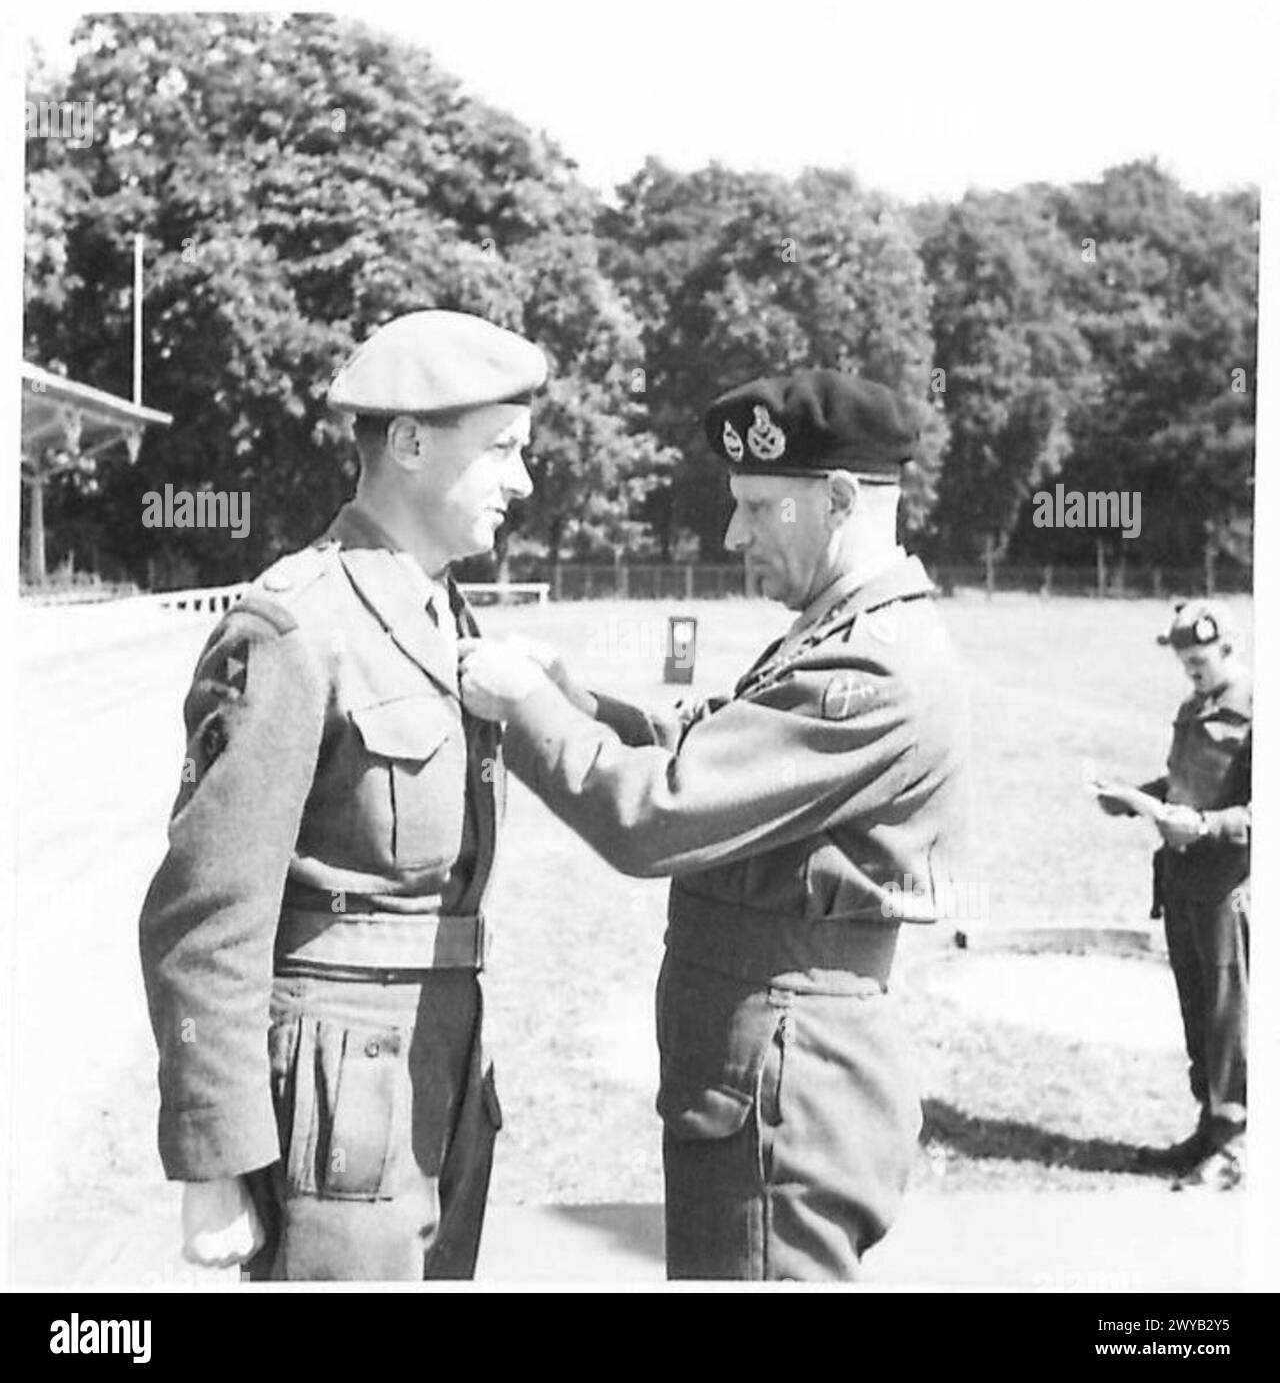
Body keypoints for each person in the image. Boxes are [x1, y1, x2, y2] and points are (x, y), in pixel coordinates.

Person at [459, 369, 971, 1280]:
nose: (734, 534)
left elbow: (654, 815)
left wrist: (525, 709)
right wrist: (577, 697)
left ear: (841, 499)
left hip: (787, 1089)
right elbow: (712, 752)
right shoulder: (836, 633)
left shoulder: (870, 671)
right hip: (766, 1076)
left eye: (758, 506)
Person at [138, 309, 546, 1278]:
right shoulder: (294, 624)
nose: (522, 481)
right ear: (407, 443)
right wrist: (216, 1157)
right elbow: (205, 911)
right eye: (500, 450)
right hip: (334, 1098)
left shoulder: (445, 613)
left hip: (439, 1071)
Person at [1096, 600, 1250, 1191]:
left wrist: (1208, 827)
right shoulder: (1195, 709)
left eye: (1200, 661)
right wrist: (1132, 795)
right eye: (1184, 662)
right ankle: (1209, 1130)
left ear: (1229, 648)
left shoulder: (1257, 713)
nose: (1190, 670)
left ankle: (1236, 1143)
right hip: (1182, 883)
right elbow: (1185, 785)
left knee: (1228, 1015)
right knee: (1197, 1012)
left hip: (1229, 888)